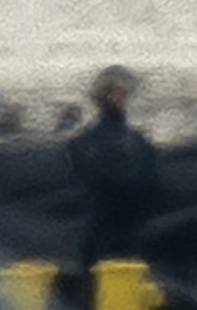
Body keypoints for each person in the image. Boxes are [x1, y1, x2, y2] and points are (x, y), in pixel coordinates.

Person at [64, 65, 168, 289]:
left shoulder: (138, 141)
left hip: (133, 232)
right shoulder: (84, 143)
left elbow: (153, 183)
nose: (117, 99)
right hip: (99, 234)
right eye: (112, 93)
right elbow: (84, 184)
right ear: (100, 98)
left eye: (121, 94)